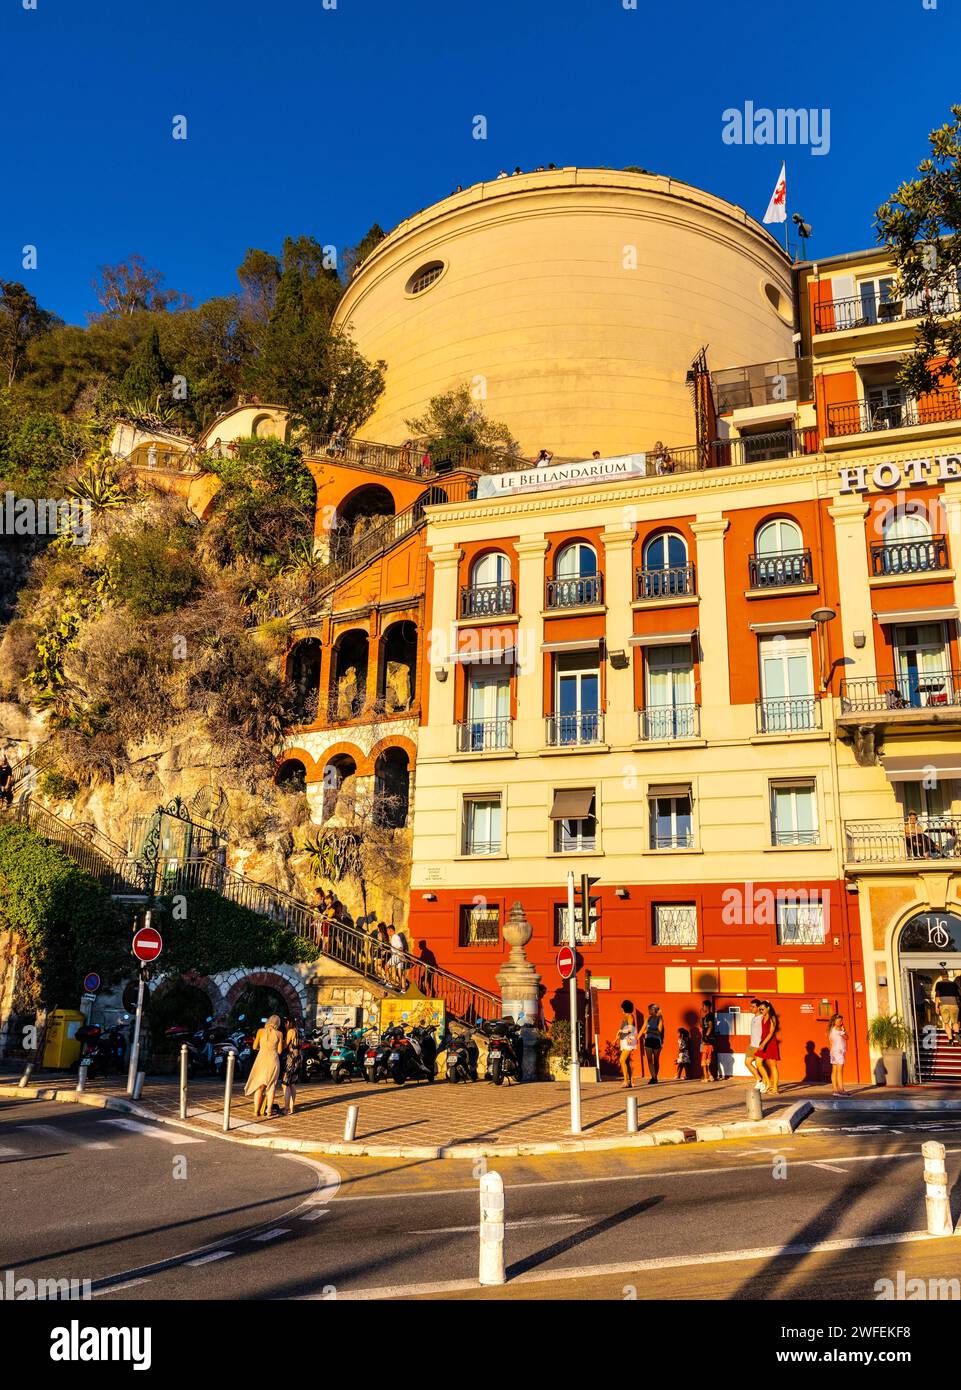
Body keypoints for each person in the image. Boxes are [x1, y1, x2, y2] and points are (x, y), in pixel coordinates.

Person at [244, 1014, 283, 1119]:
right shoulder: (279, 1034)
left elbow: (254, 1046)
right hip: (273, 1060)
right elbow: (279, 1051)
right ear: (278, 1024)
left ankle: (256, 1111)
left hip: (261, 1059)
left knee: (259, 1086)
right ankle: (269, 1110)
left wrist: (262, 1048)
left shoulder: (260, 1031)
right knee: (271, 1086)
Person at [755, 1001, 781, 1095]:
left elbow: (771, 1033)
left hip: (770, 1043)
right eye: (760, 1009)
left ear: (768, 1008)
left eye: (762, 1009)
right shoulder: (762, 1018)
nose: (761, 1011)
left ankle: (775, 1088)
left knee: (773, 1065)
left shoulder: (772, 1017)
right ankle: (768, 1083)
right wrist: (761, 1043)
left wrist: (764, 1044)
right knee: (758, 1063)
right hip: (763, 1042)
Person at [281, 1019, 302, 1114]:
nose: (285, 1024)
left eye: (285, 1023)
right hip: (298, 1058)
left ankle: (286, 1108)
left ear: (289, 1023)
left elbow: (285, 1045)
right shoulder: (297, 1031)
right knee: (292, 1083)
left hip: (291, 1059)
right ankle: (292, 1107)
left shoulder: (290, 1031)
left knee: (285, 1084)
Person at [935, 971, 961, 1043]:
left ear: (941, 976)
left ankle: (950, 1040)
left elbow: (937, 996)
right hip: (954, 1005)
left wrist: (936, 1006)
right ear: (948, 976)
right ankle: (957, 1034)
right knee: (955, 1022)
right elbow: (958, 995)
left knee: (946, 1023)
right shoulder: (953, 984)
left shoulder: (939, 984)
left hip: (944, 1005)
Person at [745, 997, 766, 1089]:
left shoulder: (762, 1018)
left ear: (758, 1008)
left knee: (759, 1065)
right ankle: (759, 1080)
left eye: (753, 1007)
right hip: (752, 1046)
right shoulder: (754, 1018)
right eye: (750, 1006)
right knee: (747, 1063)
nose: (751, 1008)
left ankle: (765, 1082)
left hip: (759, 1046)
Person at [617, 999, 638, 1088]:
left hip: (629, 1040)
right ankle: (631, 1080)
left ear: (625, 1008)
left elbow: (630, 1029)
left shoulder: (630, 1017)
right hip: (625, 1040)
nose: (621, 1009)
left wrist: (621, 1030)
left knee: (622, 1060)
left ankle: (626, 1081)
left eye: (622, 1007)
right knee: (626, 1061)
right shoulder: (626, 1017)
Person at [643, 1003, 664, 1084]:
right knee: (649, 1060)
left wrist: (649, 1031)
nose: (648, 1011)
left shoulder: (660, 1018)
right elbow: (643, 1029)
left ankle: (655, 1077)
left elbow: (659, 1031)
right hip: (648, 1040)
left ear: (654, 1010)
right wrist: (636, 1038)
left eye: (650, 1009)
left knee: (656, 1060)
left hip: (656, 1040)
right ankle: (653, 1077)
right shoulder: (648, 1018)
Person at [828, 1013, 848, 1095]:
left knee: (835, 1070)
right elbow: (846, 1037)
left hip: (834, 1051)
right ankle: (840, 1089)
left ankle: (835, 1089)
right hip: (838, 1052)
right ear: (834, 1021)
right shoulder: (837, 1029)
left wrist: (831, 1052)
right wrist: (842, 1031)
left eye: (841, 1020)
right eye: (839, 1020)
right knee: (839, 1070)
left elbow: (830, 1041)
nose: (841, 1021)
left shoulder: (832, 1029)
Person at [699, 1000, 717, 1082]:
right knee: (707, 1058)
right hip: (706, 1040)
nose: (702, 1008)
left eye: (703, 1006)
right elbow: (702, 1026)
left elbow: (710, 1026)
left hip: (708, 1040)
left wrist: (706, 1036)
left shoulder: (710, 1015)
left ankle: (706, 1076)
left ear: (706, 1006)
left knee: (704, 1057)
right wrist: (700, 1015)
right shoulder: (706, 1016)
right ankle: (709, 1075)